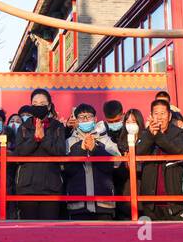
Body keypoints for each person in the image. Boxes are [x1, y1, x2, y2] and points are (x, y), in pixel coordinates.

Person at [11, 89, 66, 220]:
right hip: (27, 186)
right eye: (35, 103)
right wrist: (35, 139)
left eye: (42, 103)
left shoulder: (57, 127)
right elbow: (18, 153)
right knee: (28, 229)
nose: (38, 106)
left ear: (48, 106)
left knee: (50, 228)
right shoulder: (23, 127)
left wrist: (44, 138)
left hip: (51, 186)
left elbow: (60, 152)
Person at [64, 104, 121, 220]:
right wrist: (81, 149)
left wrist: (95, 149)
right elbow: (64, 167)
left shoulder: (106, 140)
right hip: (77, 203)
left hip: (103, 203)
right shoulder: (69, 142)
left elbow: (117, 162)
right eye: (81, 117)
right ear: (76, 120)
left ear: (95, 119)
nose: (85, 119)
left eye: (89, 116)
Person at [135, 98, 183, 221]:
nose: (159, 117)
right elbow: (137, 153)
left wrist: (158, 136)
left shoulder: (178, 133)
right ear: (151, 116)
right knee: (151, 238)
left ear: (169, 116)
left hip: (173, 198)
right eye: (156, 114)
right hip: (150, 199)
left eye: (163, 114)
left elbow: (179, 150)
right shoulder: (145, 134)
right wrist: (149, 135)